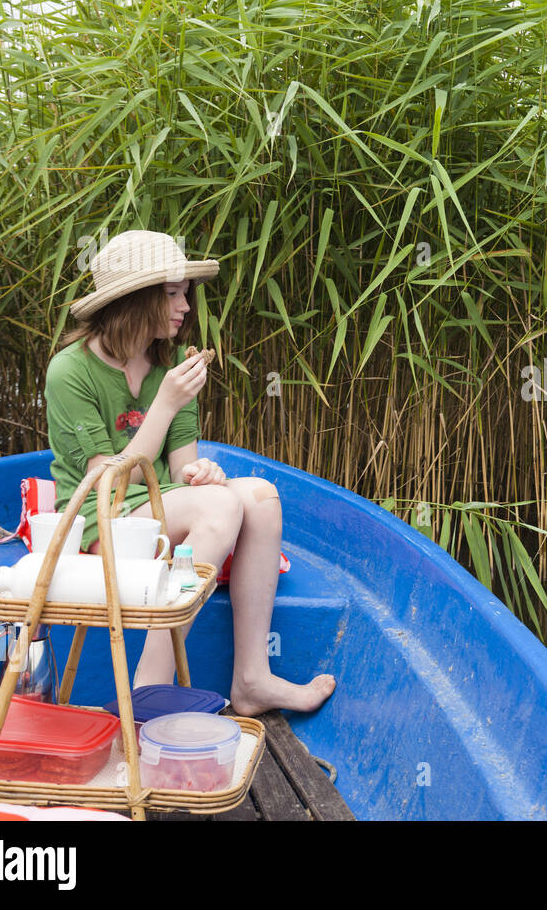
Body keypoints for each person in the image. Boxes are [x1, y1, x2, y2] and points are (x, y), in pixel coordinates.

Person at [44, 230, 335, 715]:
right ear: (134, 299)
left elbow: (180, 468)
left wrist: (202, 471)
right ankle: (149, 686)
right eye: (172, 293)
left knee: (260, 497)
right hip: (99, 518)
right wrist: (165, 402)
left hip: (155, 506)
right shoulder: (69, 372)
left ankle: (252, 679)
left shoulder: (173, 361)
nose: (186, 306)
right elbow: (110, 484)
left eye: (186, 293)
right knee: (221, 504)